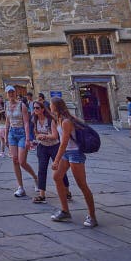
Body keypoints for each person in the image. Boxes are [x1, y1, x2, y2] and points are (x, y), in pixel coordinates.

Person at [50, 97, 97, 227]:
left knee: (82, 185)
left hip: (75, 153)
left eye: (51, 105)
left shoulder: (66, 121)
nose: (50, 107)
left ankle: (92, 216)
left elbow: (64, 142)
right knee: (57, 177)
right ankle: (65, 211)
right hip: (66, 153)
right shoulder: (58, 119)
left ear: (56, 106)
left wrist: (56, 160)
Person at [31, 102, 70, 204]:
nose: (35, 110)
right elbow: (36, 134)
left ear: (43, 109)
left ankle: (67, 191)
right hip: (42, 147)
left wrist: (44, 136)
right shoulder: (35, 120)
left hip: (54, 146)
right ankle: (42, 195)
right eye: (34, 108)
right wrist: (38, 137)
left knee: (59, 169)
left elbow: (55, 136)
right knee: (41, 170)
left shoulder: (50, 120)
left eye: (37, 108)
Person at [4, 85, 38, 198]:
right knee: (15, 160)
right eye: (9, 92)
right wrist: (5, 136)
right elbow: (7, 121)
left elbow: (27, 122)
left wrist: (28, 138)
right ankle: (21, 187)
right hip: (12, 134)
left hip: (22, 134)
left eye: (12, 92)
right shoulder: (6, 105)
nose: (11, 94)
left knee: (22, 161)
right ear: (6, 94)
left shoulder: (22, 105)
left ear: (15, 93)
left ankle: (36, 178)